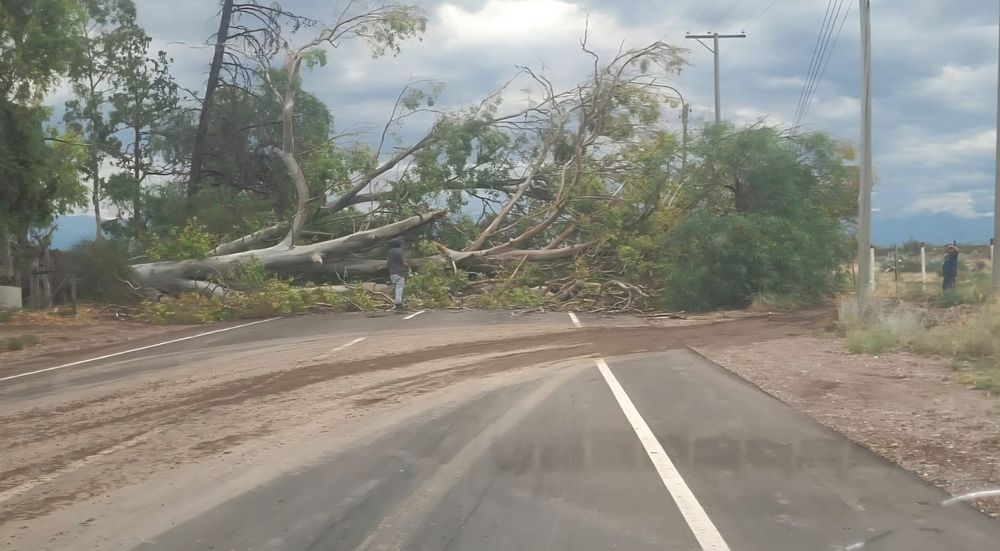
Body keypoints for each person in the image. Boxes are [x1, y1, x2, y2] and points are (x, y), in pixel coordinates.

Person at [387, 239, 409, 310]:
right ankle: (398, 304)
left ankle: (397, 303)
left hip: (392, 273)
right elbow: (404, 263)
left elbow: (388, 261)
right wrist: (408, 267)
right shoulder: (400, 252)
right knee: (399, 288)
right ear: (400, 245)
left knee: (395, 288)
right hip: (399, 273)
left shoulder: (390, 252)